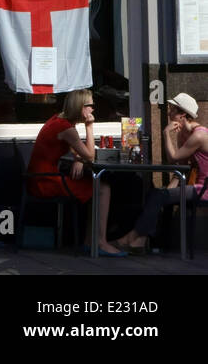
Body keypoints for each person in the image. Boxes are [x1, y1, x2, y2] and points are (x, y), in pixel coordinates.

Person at [26, 88, 125, 256]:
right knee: (102, 188)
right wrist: (90, 126)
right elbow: (91, 156)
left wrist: (79, 159)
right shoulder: (67, 129)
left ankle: (90, 241)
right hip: (45, 181)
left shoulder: (58, 121)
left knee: (97, 186)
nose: (93, 109)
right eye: (90, 105)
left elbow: (77, 151)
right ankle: (99, 242)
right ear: (80, 107)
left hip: (37, 177)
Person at [116, 92, 208, 253]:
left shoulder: (199, 135)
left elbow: (172, 158)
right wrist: (170, 188)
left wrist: (165, 134)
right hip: (194, 185)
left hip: (204, 189)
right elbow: (180, 167)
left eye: (173, 110)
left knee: (158, 196)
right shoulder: (183, 134)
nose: (169, 112)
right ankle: (142, 242)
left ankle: (131, 238)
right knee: (159, 194)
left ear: (182, 115)